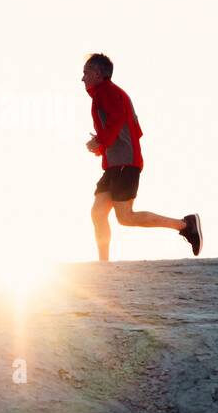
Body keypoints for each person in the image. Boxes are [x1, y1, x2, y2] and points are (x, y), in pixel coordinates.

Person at [83, 53, 201, 262]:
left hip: (125, 165)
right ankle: (103, 264)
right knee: (98, 213)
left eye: (86, 72)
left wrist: (101, 141)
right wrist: (101, 147)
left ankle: (185, 225)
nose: (82, 78)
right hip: (114, 165)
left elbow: (118, 121)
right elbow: (130, 131)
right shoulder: (106, 94)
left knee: (126, 217)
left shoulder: (107, 92)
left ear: (98, 73)